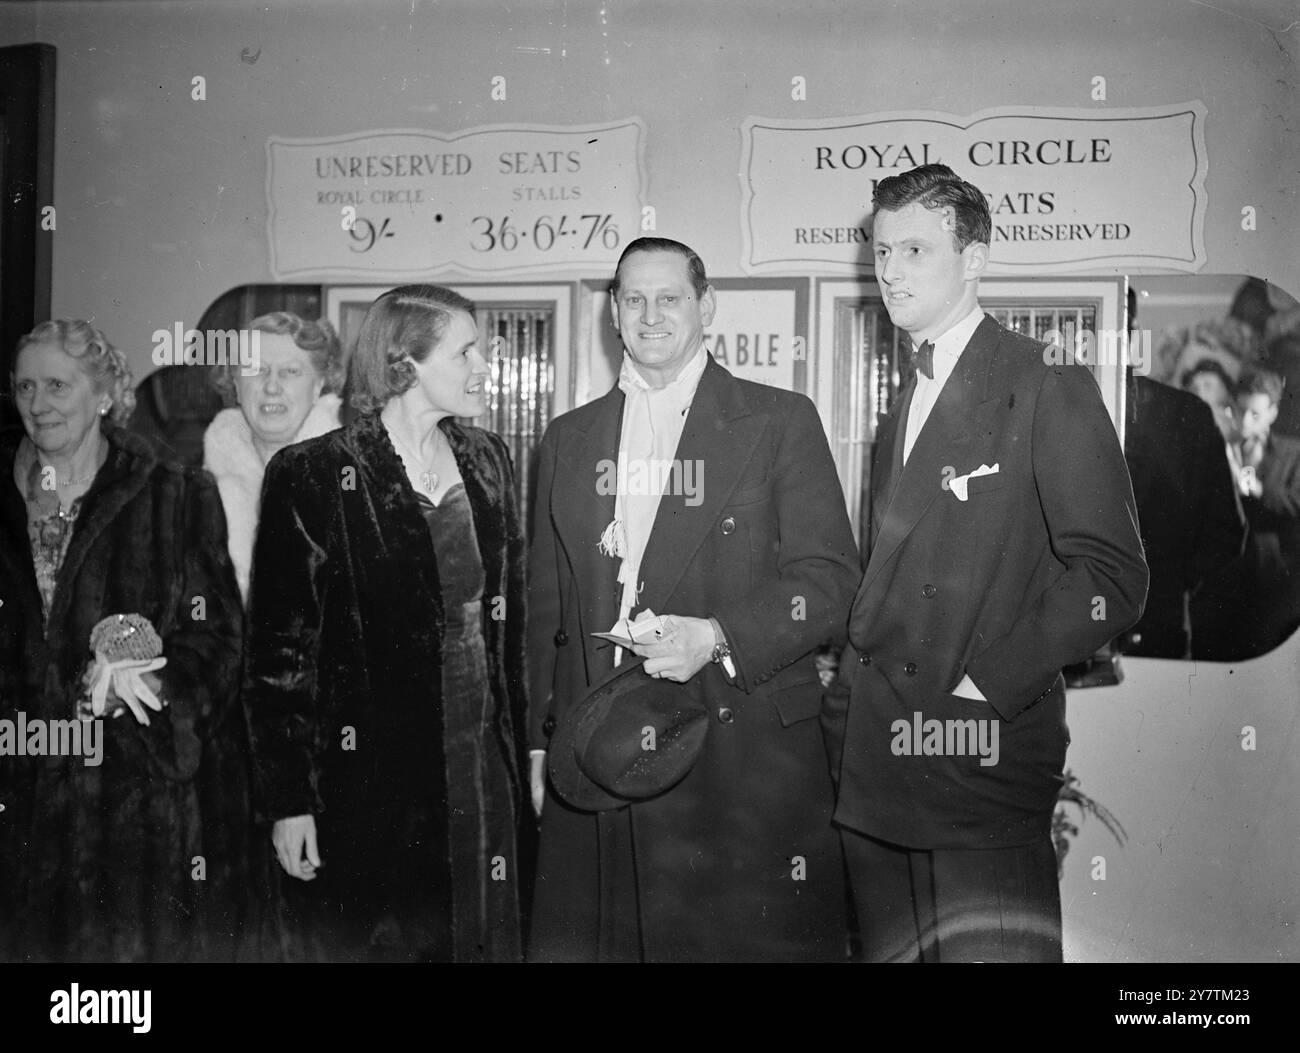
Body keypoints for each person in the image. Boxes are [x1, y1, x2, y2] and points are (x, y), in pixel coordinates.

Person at [825, 165, 1148, 963]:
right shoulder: (905, 394)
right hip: (878, 763)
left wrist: (985, 688)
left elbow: (1112, 577)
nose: (889, 270)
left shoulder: (1046, 382)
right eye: (881, 249)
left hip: (975, 760)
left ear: (975, 259)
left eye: (914, 249)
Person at [527, 236, 859, 962]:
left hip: (734, 748)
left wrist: (715, 633)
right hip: (598, 746)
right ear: (613, 311)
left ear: (705, 306)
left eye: (669, 297)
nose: (650, 315)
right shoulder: (566, 439)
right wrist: (539, 740)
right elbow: (544, 604)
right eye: (633, 298)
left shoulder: (779, 421)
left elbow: (831, 581)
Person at [242, 284, 529, 962]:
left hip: (482, 765)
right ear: (405, 362)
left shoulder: (489, 459)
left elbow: (508, 630)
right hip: (369, 785)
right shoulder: (311, 473)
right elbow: (280, 656)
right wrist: (291, 800)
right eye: (466, 351)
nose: (484, 365)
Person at [0, 319, 245, 962]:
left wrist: (154, 684)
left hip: (131, 807)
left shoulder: (176, 494)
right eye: (25, 385)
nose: (38, 402)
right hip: (13, 802)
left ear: (105, 394)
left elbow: (216, 638)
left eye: (58, 383)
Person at [1121, 291, 1245, 658]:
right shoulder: (1186, 412)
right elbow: (1225, 534)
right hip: (1160, 623)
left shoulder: (1187, 414)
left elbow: (1224, 533)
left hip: (1155, 623)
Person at [203, 311, 344, 602]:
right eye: (256, 369)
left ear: (319, 385)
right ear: (236, 385)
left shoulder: (348, 479)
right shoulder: (202, 487)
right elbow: (194, 605)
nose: (271, 386)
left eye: (290, 371)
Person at [1194, 366, 1300, 659]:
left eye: (1255, 414)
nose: (1244, 422)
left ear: (1273, 414)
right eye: (1239, 411)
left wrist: (1261, 490)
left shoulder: (1294, 456)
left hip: (1274, 585)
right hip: (1224, 583)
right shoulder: (1220, 448)